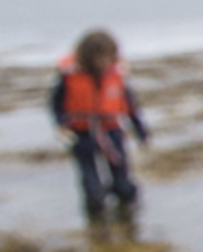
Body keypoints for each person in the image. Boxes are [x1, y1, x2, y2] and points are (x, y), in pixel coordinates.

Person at [51, 29, 149, 222]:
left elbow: (129, 103)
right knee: (92, 189)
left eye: (106, 57)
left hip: (111, 131)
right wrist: (61, 123)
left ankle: (129, 220)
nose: (103, 63)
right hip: (81, 134)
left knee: (125, 186)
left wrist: (140, 129)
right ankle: (96, 223)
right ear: (86, 57)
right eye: (98, 58)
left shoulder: (116, 75)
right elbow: (56, 102)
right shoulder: (69, 76)